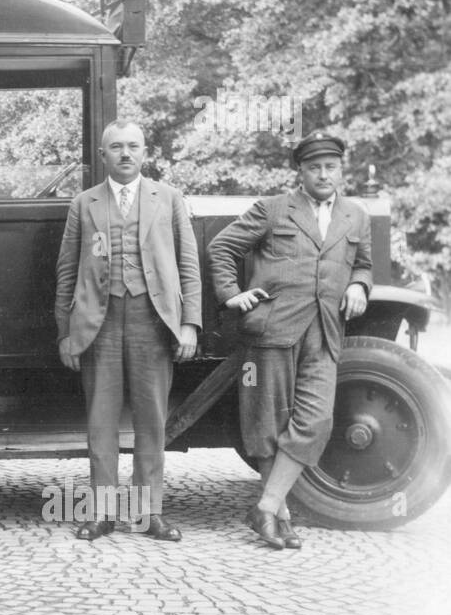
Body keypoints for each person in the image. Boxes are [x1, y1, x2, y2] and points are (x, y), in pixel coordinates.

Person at [207, 132, 371, 549]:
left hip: (325, 331)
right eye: (314, 167)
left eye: (330, 166)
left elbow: (364, 264)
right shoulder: (274, 209)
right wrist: (232, 294)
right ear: (300, 171)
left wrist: (359, 286)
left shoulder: (355, 215)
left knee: (316, 421)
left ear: (340, 169)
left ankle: (267, 504)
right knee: (268, 424)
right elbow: (222, 247)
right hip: (272, 328)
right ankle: (276, 515)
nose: (323, 174)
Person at [54, 121, 201, 541]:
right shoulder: (84, 203)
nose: (125, 154)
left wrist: (189, 322)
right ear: (102, 155)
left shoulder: (169, 199)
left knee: (152, 420)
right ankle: (101, 512)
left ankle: (148, 511)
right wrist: (65, 330)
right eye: (115, 147)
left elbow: (189, 266)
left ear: (144, 153)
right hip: (97, 323)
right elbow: (67, 271)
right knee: (101, 421)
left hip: (151, 321)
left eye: (133, 146)